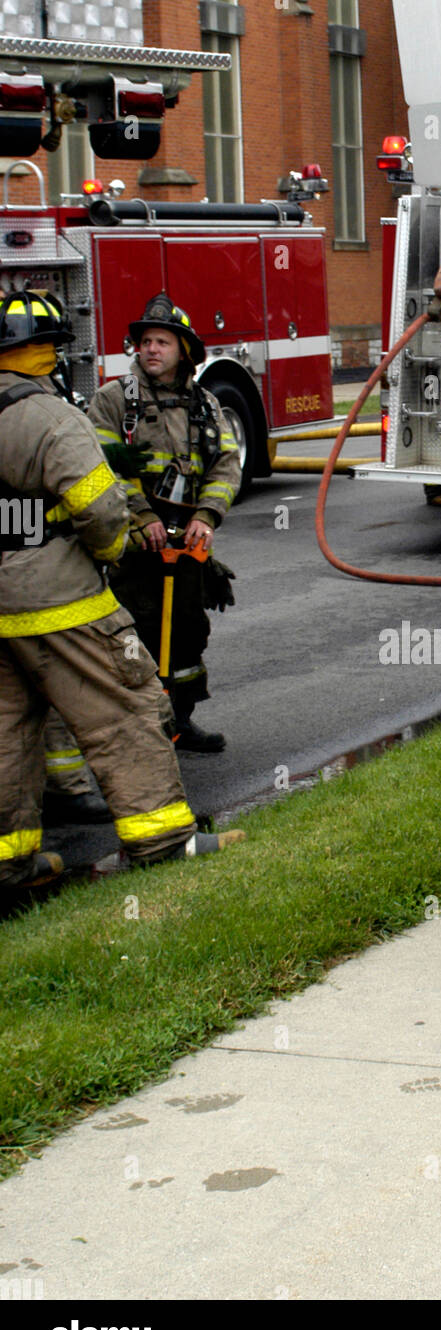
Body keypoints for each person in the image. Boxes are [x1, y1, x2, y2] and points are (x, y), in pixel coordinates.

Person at [0, 291, 242, 895]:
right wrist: (114, 549)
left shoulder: (204, 405)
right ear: (49, 352)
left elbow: (225, 465)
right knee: (127, 705)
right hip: (60, 598)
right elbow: (99, 509)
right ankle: (162, 842)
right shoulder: (55, 417)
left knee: (6, 729)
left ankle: (10, 865)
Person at [87, 294, 240, 753]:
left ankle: (181, 721)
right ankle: (140, 729)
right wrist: (143, 515)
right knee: (136, 635)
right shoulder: (114, 401)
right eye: (145, 341)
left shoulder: (206, 405)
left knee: (189, 632)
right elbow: (102, 468)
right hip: (135, 549)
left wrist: (207, 517)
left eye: (162, 342)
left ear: (184, 351)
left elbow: (226, 466)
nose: (151, 349)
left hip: (189, 546)